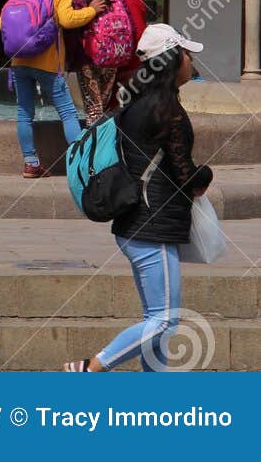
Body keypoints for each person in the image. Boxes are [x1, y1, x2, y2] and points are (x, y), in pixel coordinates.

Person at [64, 24, 213, 373]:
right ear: (173, 60)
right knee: (165, 322)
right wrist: (206, 175)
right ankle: (91, 367)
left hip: (136, 223)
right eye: (187, 55)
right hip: (152, 226)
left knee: (154, 319)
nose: (191, 61)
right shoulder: (166, 111)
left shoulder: (134, 103)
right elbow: (185, 174)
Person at [1, 0, 106, 177]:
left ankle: (30, 163)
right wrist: (92, 10)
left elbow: (2, 24)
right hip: (47, 64)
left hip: (19, 61)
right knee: (67, 112)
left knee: (24, 112)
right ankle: (80, 163)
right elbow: (68, 20)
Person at [69, 0, 146, 124]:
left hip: (89, 57)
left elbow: (70, 22)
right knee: (103, 106)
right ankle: (108, 144)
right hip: (114, 55)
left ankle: (93, 148)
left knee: (94, 109)